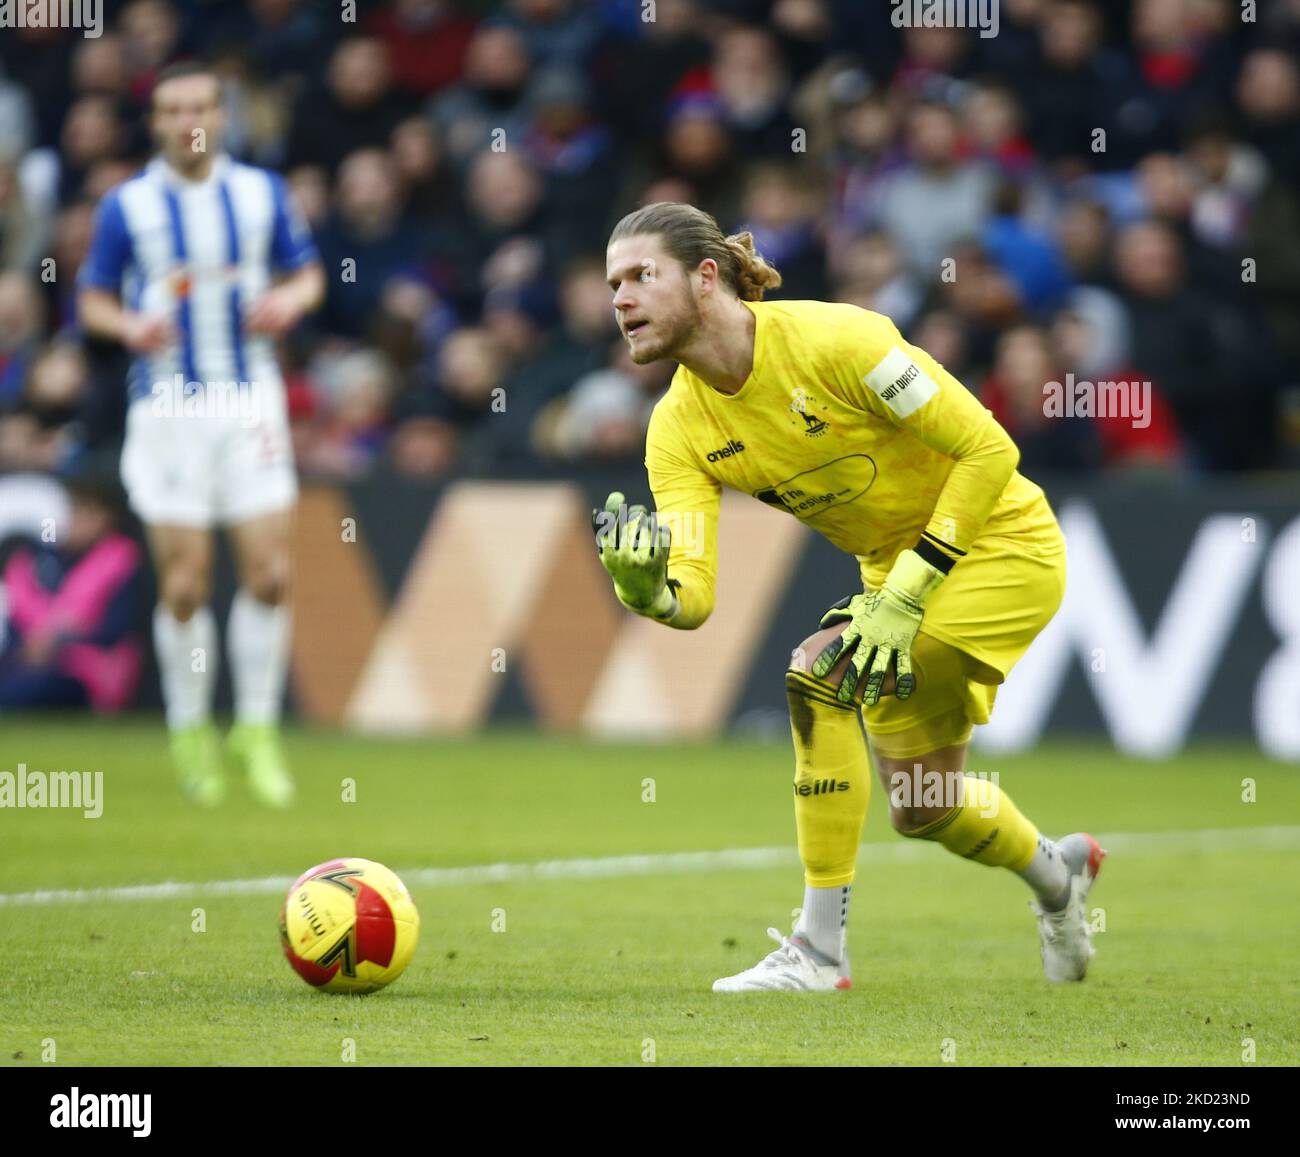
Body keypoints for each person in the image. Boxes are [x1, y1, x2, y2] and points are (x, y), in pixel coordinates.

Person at [594, 202, 1104, 992]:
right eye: (612, 283)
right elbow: (693, 594)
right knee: (923, 805)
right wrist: (648, 592)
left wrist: (908, 590)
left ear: (704, 277)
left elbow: (989, 447)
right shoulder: (678, 430)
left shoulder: (842, 341)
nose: (620, 298)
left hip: (1001, 547)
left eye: (639, 276)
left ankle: (820, 952)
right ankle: (1060, 877)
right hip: (889, 584)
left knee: (818, 674)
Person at [77, 61, 326, 807]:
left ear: (223, 117)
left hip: (250, 400)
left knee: (270, 573)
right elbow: (90, 297)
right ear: (155, 123)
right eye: (172, 108)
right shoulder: (128, 205)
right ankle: (191, 729)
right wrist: (128, 324)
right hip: (169, 407)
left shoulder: (261, 194)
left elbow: (308, 275)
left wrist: (289, 302)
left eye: (201, 106)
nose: (188, 119)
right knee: (184, 583)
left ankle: (255, 728)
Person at [0, 479, 143, 713]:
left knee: (36, 687)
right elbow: (15, 622)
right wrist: (29, 646)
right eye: (75, 510)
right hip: (29, 663)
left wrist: (59, 642)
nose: (78, 520)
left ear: (108, 518)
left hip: (85, 672)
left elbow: (116, 629)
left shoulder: (120, 559)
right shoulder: (37, 560)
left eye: (89, 513)